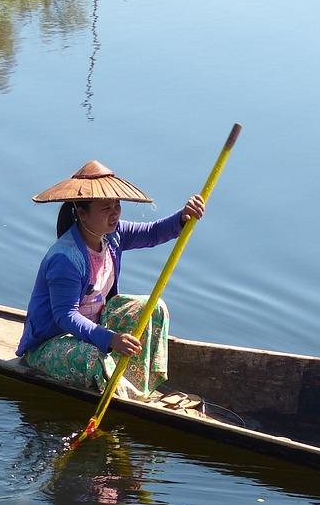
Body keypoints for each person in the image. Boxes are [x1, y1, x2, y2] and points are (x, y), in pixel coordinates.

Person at [16, 160, 205, 398]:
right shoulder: (66, 258)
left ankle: (137, 387)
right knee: (95, 358)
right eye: (106, 208)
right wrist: (110, 339)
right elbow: (65, 316)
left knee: (154, 307)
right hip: (51, 342)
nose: (115, 213)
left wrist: (183, 217)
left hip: (97, 323)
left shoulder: (113, 234)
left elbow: (153, 232)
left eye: (117, 205)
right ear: (82, 214)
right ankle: (122, 393)